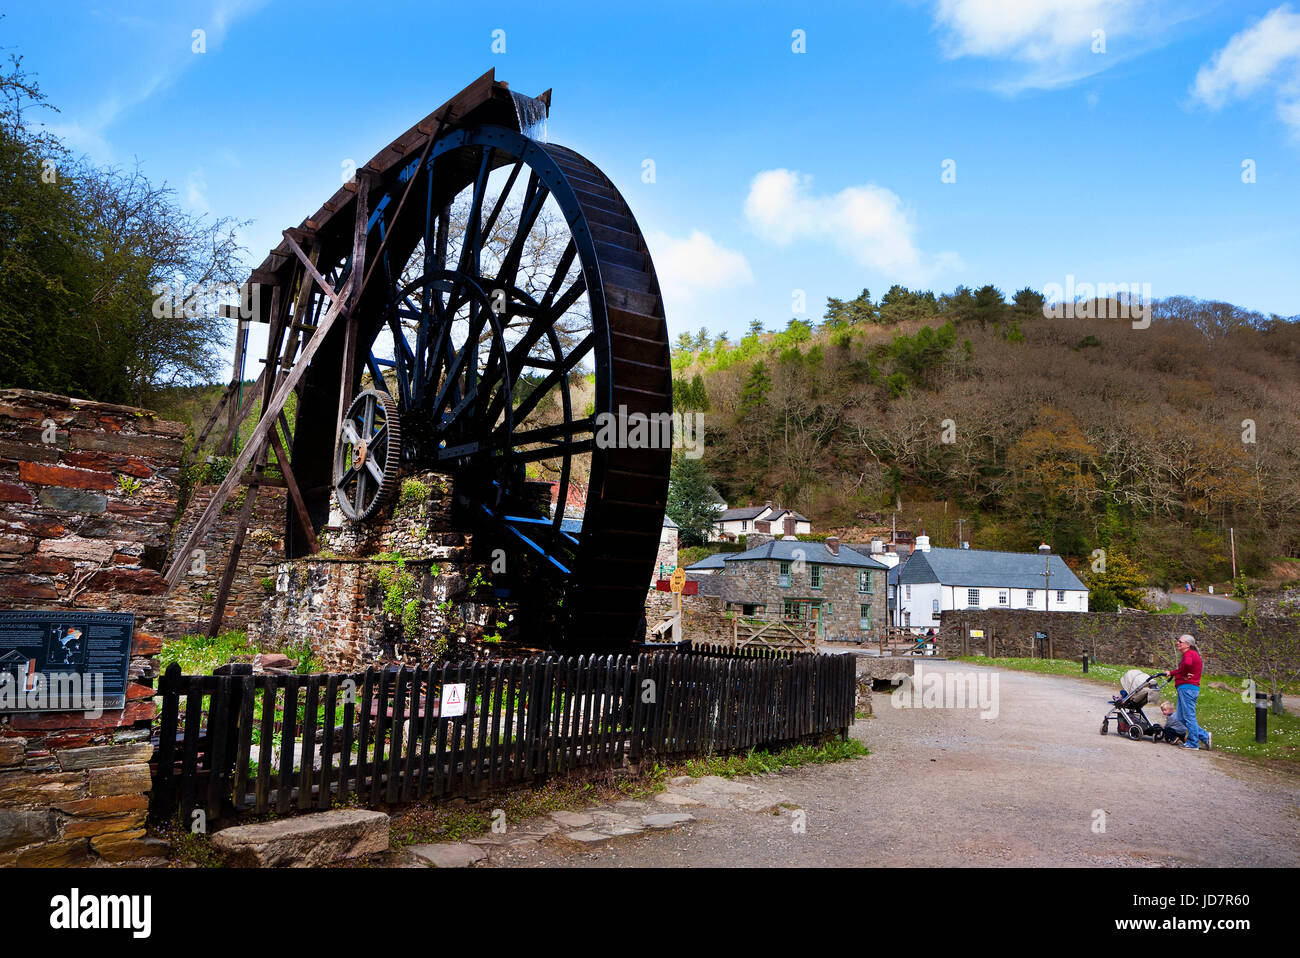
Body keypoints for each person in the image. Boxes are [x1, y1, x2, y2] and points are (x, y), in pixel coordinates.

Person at [1163, 634, 1211, 751]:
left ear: (1188, 644)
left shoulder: (1189, 654)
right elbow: (1183, 668)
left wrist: (1183, 674)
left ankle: (1193, 743)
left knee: (1189, 716)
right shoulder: (1190, 654)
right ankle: (1204, 736)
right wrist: (1174, 673)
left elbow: (1187, 665)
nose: (1178, 643)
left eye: (1180, 641)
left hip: (1188, 688)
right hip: (1185, 688)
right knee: (1180, 717)